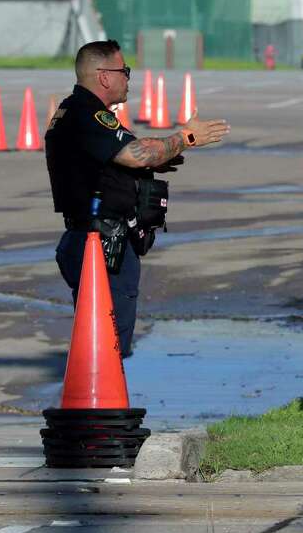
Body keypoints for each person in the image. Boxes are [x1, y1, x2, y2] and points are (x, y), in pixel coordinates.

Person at [45, 41, 228, 357]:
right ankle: (100, 406)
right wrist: (186, 137)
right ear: (104, 76)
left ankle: (96, 403)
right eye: (124, 71)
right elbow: (135, 154)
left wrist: (161, 157)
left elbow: (118, 157)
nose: (129, 78)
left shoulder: (80, 112)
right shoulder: (86, 115)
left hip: (93, 239)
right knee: (109, 346)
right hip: (100, 244)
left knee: (100, 340)